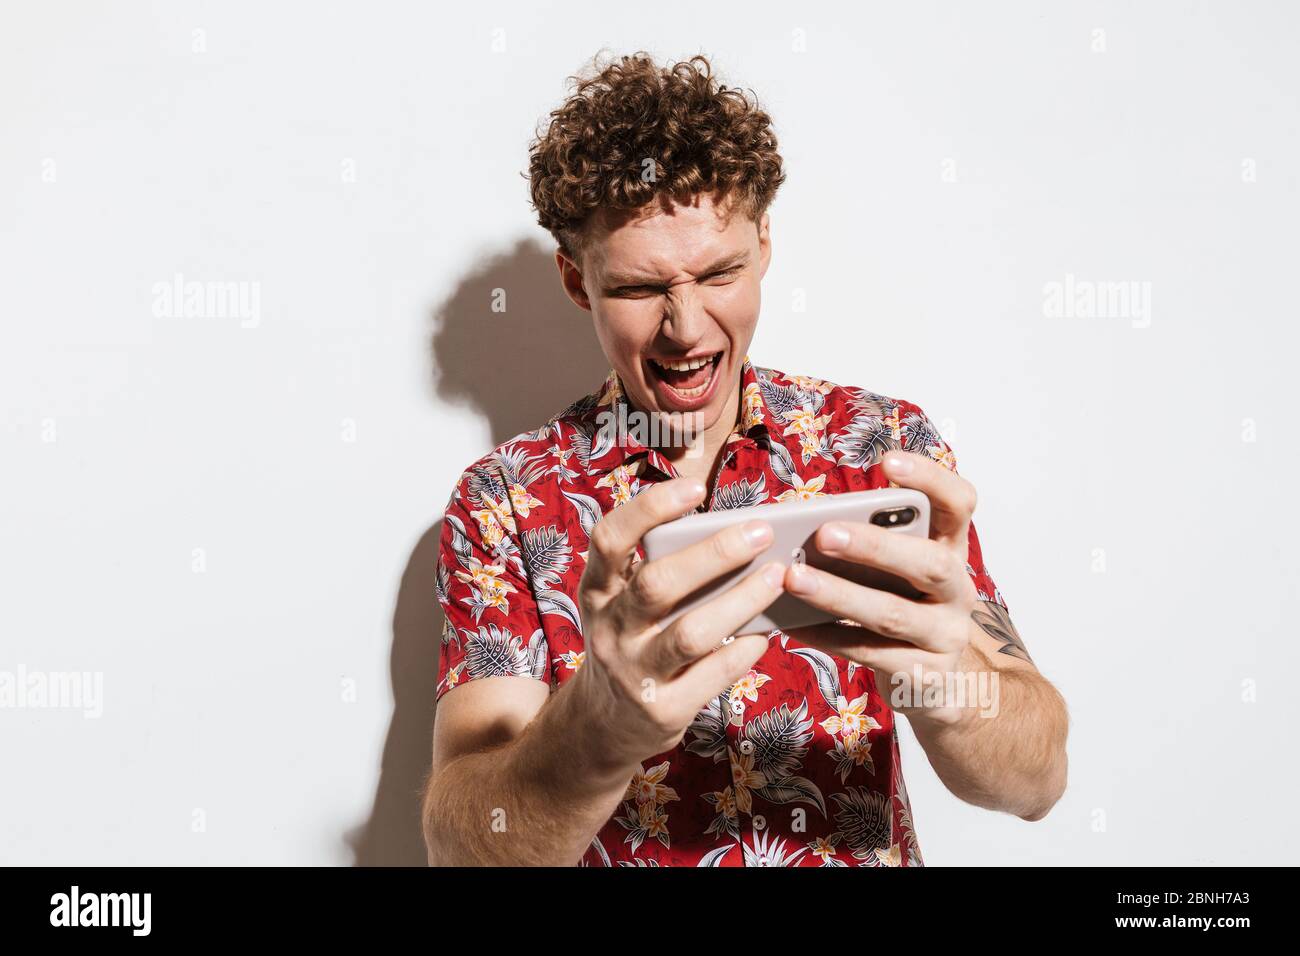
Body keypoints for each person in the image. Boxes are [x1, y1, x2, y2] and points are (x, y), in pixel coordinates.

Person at [421, 51, 1068, 867]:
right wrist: (599, 727)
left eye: (719, 272)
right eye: (637, 288)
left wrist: (952, 690)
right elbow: (462, 849)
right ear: (576, 282)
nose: (686, 328)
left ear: (764, 245)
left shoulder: (879, 445)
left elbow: (1038, 782)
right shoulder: (507, 501)